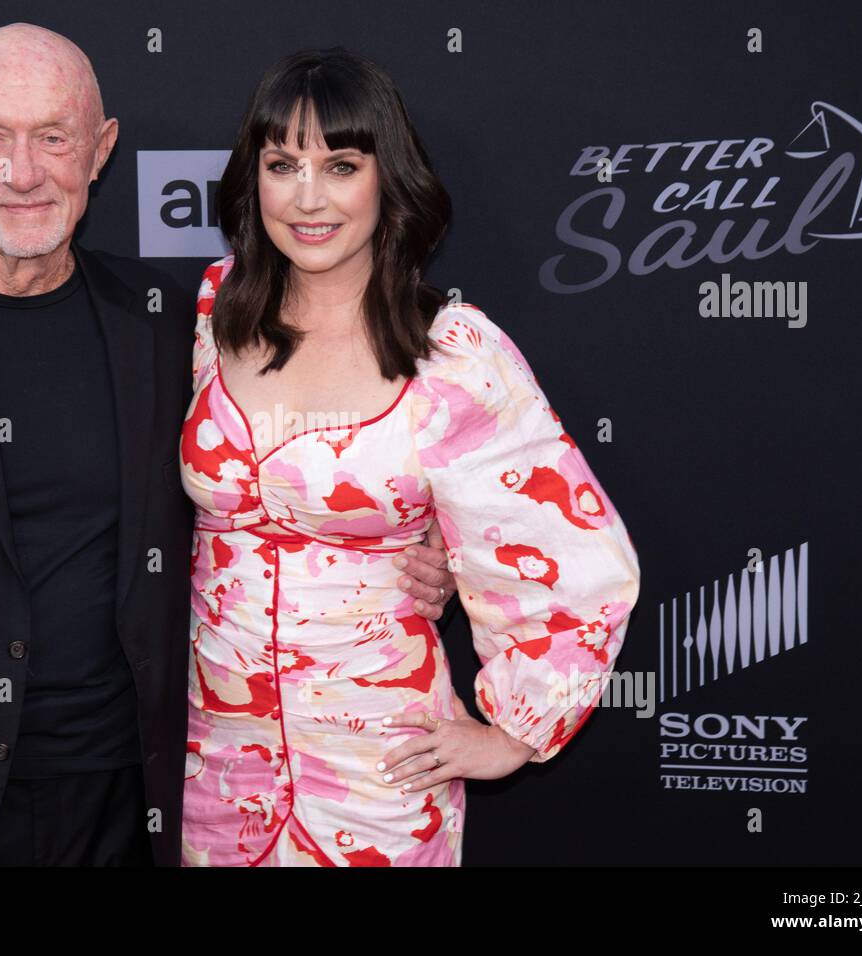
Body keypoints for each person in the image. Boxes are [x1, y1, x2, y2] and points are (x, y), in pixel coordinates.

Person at [0, 23, 456, 868]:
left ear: (101, 149)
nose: (23, 172)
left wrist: (427, 547)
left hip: (128, 799)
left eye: (53, 137)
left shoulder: (174, 321)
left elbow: (281, 479)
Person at [178, 49, 641, 866]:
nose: (308, 196)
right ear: (254, 181)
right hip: (219, 771)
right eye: (282, 164)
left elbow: (580, 561)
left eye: (341, 165)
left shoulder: (453, 357)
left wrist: (512, 734)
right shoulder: (218, 315)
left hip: (378, 780)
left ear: (386, 179)